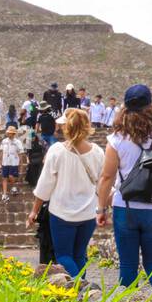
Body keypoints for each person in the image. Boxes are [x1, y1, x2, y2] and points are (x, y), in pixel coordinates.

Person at [97, 83, 152, 295]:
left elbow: (107, 177)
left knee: (127, 264)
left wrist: (101, 209)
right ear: (150, 106)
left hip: (124, 206)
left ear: (125, 108)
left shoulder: (116, 139)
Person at [27, 107, 103, 281]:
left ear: (66, 127)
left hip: (61, 212)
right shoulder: (98, 152)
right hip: (88, 212)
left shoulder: (57, 150)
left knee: (63, 255)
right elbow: (103, 182)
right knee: (79, 254)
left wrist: (34, 211)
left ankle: (79, 287)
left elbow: (45, 185)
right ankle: (82, 291)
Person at [0, 125, 23, 201]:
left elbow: (20, 153)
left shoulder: (18, 142)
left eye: (10, 133)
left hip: (14, 162)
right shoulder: (4, 141)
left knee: (11, 176)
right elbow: (1, 152)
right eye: (8, 133)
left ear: (13, 134)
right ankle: (5, 194)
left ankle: (13, 186)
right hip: (5, 162)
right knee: (4, 178)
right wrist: (0, 162)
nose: (8, 134)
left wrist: (21, 163)